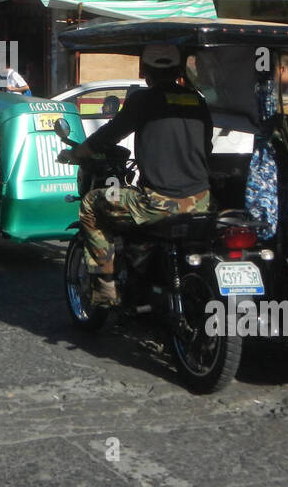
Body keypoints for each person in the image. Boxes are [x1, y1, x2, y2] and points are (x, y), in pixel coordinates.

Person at [70, 44, 213, 306]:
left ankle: (104, 288)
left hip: (158, 203)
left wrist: (80, 151)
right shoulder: (197, 100)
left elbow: (110, 134)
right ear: (177, 70)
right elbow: (207, 147)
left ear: (145, 72)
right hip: (201, 200)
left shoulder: (143, 100)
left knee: (91, 203)